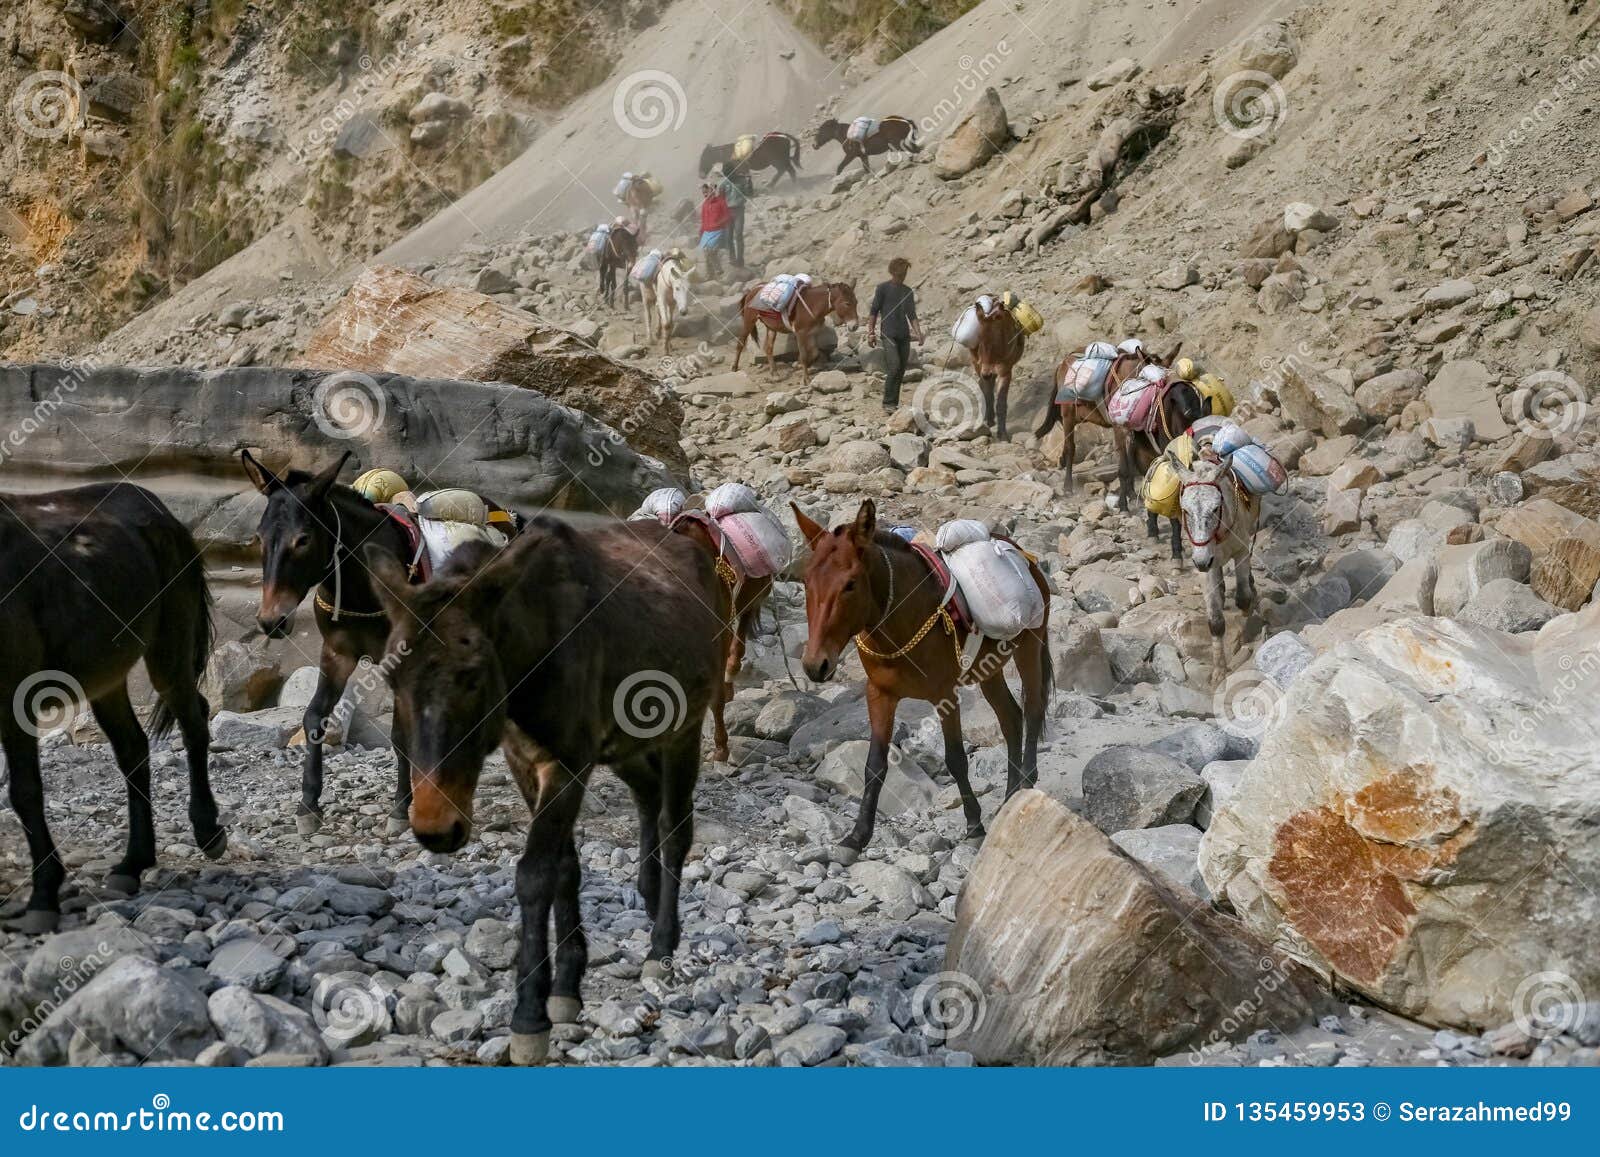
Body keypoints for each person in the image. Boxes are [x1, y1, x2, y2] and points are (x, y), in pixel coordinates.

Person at [867, 257, 923, 410]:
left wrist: (918, 333)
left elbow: (911, 315)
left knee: (901, 370)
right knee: (894, 366)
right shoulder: (882, 288)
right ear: (892, 272)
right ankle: (888, 403)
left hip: (903, 335)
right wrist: (870, 333)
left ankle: (894, 403)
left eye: (904, 273)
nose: (902, 276)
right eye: (899, 274)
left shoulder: (907, 291)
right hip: (888, 334)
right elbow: (874, 312)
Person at [717, 163, 751, 267]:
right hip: (727, 212)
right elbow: (720, 199)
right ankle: (732, 258)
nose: (729, 176)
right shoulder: (722, 183)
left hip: (739, 210)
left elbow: (749, 193)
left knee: (739, 235)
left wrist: (749, 183)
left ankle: (740, 259)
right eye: (727, 174)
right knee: (729, 237)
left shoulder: (741, 180)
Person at [698, 180, 731, 278]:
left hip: (718, 231)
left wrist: (718, 224)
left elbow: (727, 216)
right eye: (703, 193)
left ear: (712, 190)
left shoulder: (720, 202)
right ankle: (710, 274)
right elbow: (703, 220)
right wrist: (701, 232)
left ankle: (718, 270)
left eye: (706, 192)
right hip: (707, 232)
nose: (705, 194)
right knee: (706, 253)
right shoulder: (705, 205)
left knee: (711, 251)